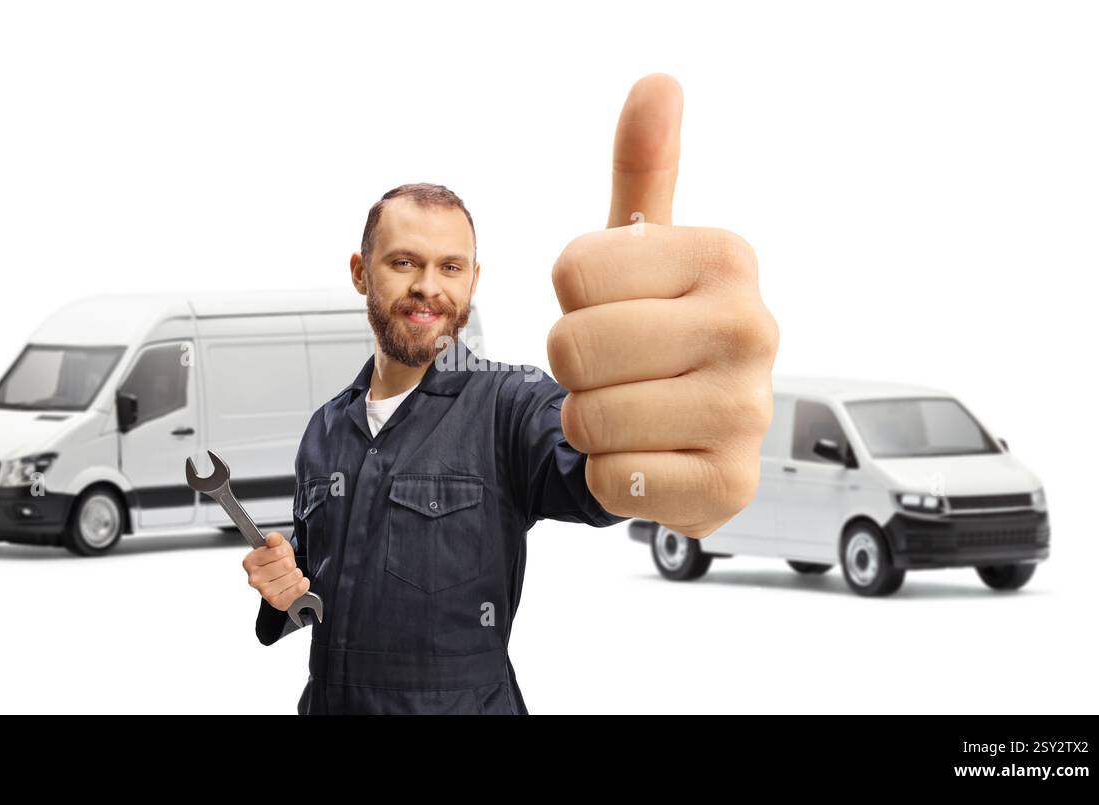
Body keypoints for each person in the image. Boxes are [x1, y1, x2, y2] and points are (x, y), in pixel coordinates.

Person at [242, 73, 779, 714]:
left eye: (451, 267)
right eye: (404, 262)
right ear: (361, 272)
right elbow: (319, 585)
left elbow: (593, 466)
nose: (428, 287)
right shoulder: (324, 429)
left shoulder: (510, 406)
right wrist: (283, 589)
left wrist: (654, 423)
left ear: (474, 280)